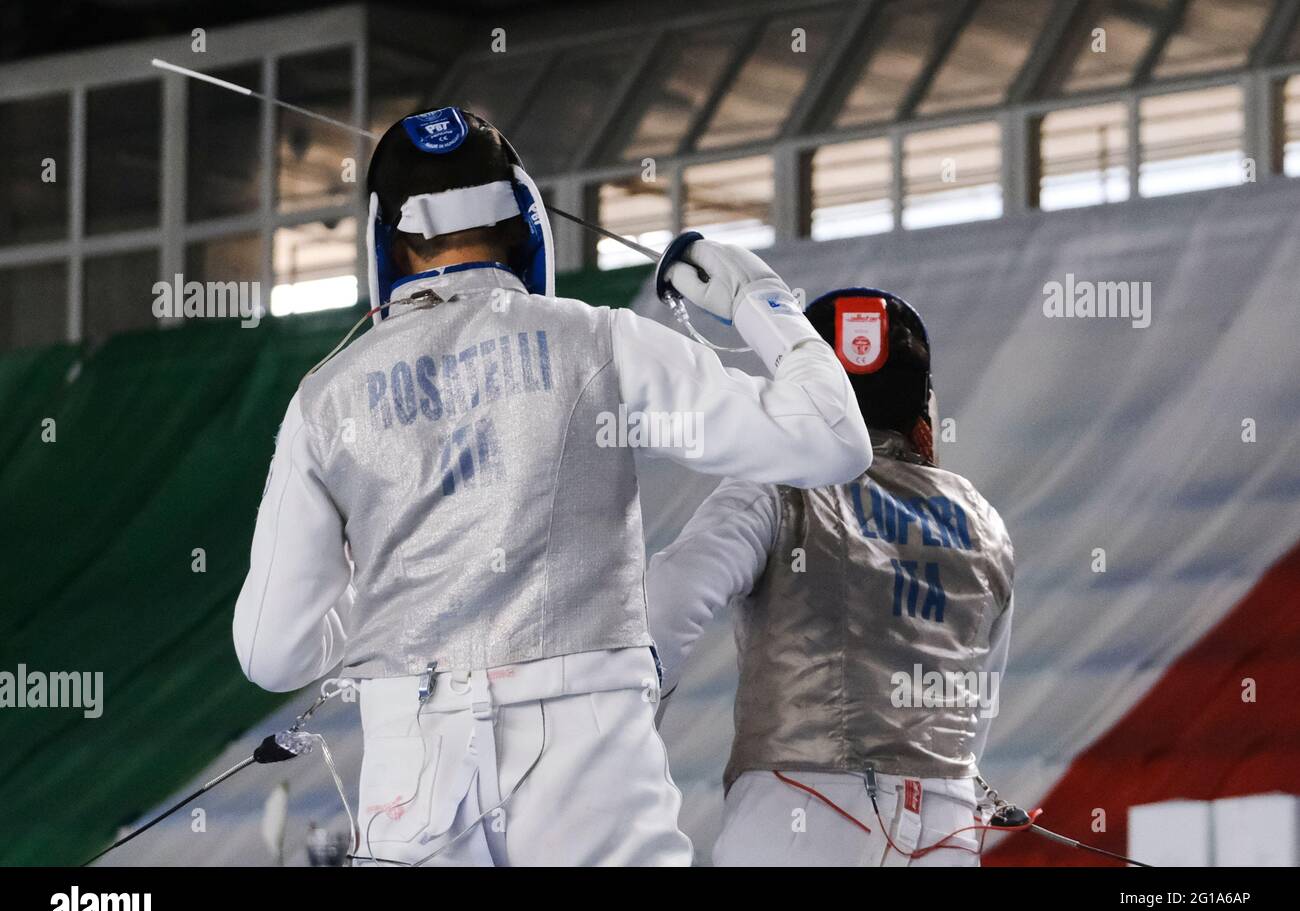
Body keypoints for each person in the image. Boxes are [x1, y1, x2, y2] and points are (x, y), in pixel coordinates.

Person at [231, 108, 872, 866]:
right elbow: (830, 442)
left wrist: (384, 599)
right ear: (523, 220)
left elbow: (273, 654)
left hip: (413, 765)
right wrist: (762, 303)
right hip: (590, 756)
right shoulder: (597, 340)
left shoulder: (327, 399)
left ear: (389, 238)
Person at [646, 288, 1014, 866]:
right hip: (945, 823)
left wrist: (627, 730)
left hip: (802, 811)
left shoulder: (780, 484)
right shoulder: (981, 520)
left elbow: (669, 598)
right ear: (922, 410)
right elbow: (978, 700)